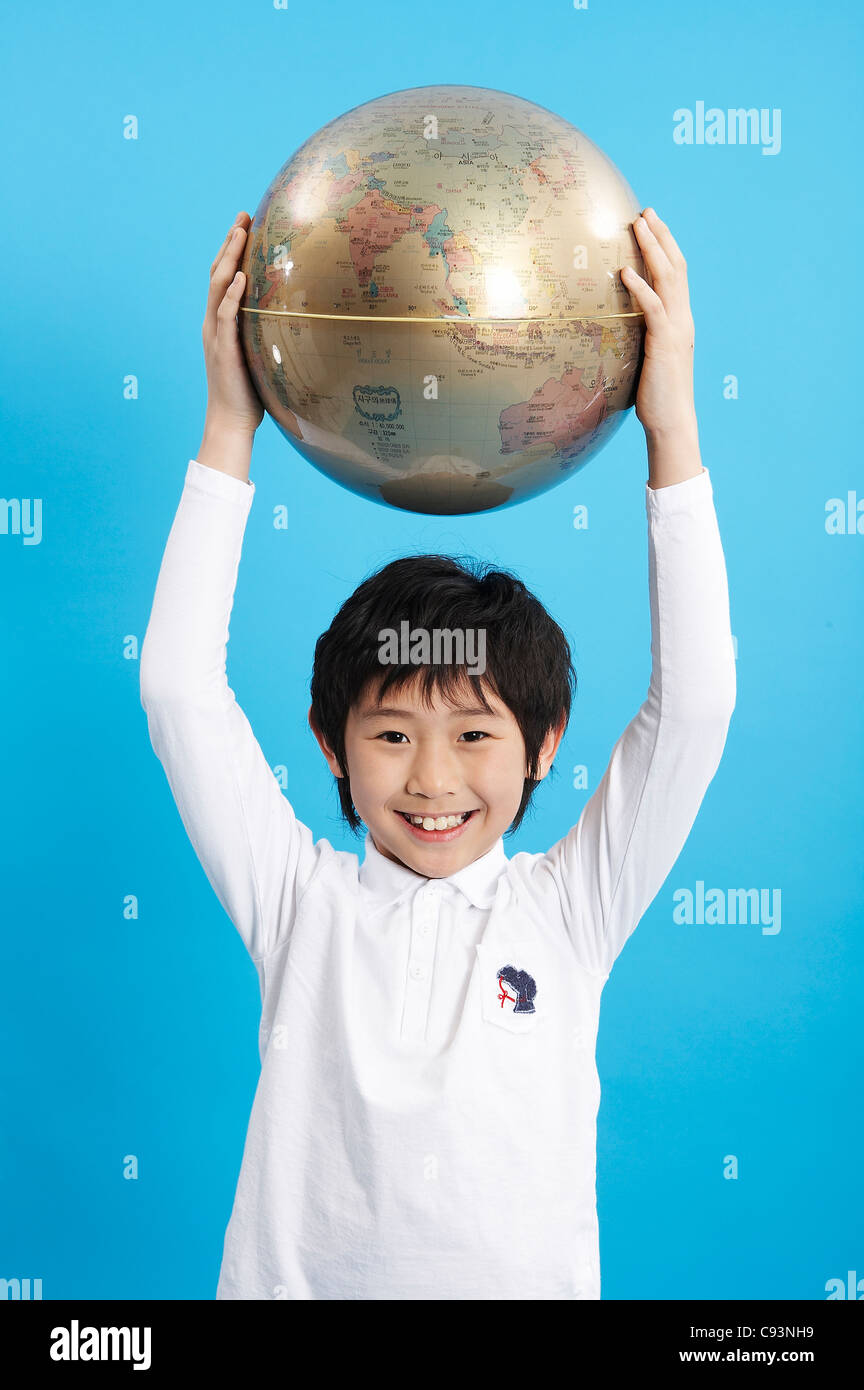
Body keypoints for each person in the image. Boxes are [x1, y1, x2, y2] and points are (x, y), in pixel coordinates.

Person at [140, 207, 736, 1300]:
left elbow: (694, 707)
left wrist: (673, 430)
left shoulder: (568, 911)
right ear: (330, 742)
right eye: (390, 735)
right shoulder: (299, 905)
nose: (431, 779)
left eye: (473, 735)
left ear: (544, 746)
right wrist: (232, 426)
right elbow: (178, 689)